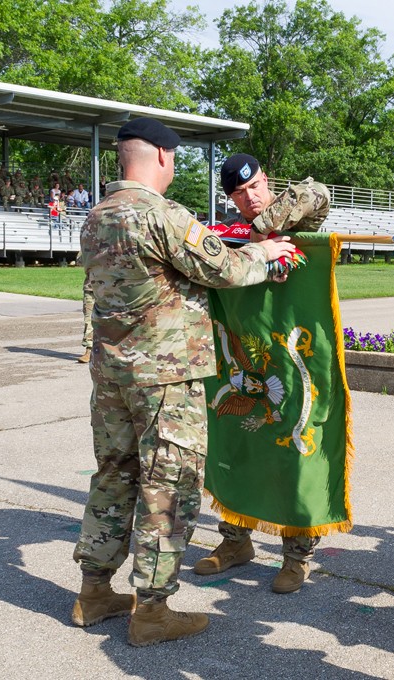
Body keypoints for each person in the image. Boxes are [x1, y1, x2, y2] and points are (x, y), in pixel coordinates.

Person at [71, 118, 298, 647]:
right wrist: (265, 254)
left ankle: (93, 591)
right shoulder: (161, 215)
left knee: (113, 476)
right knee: (167, 486)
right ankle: (152, 611)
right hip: (165, 376)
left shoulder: (95, 216)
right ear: (163, 158)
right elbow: (221, 268)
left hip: (112, 376)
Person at [191, 153, 332, 595]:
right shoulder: (223, 238)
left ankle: (298, 556)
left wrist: (260, 230)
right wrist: (250, 242)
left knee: (295, 446)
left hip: (293, 361)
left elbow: (316, 194)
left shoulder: (297, 220)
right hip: (242, 360)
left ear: (267, 182)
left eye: (255, 188)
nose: (249, 199)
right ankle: (235, 542)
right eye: (238, 194)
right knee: (236, 442)